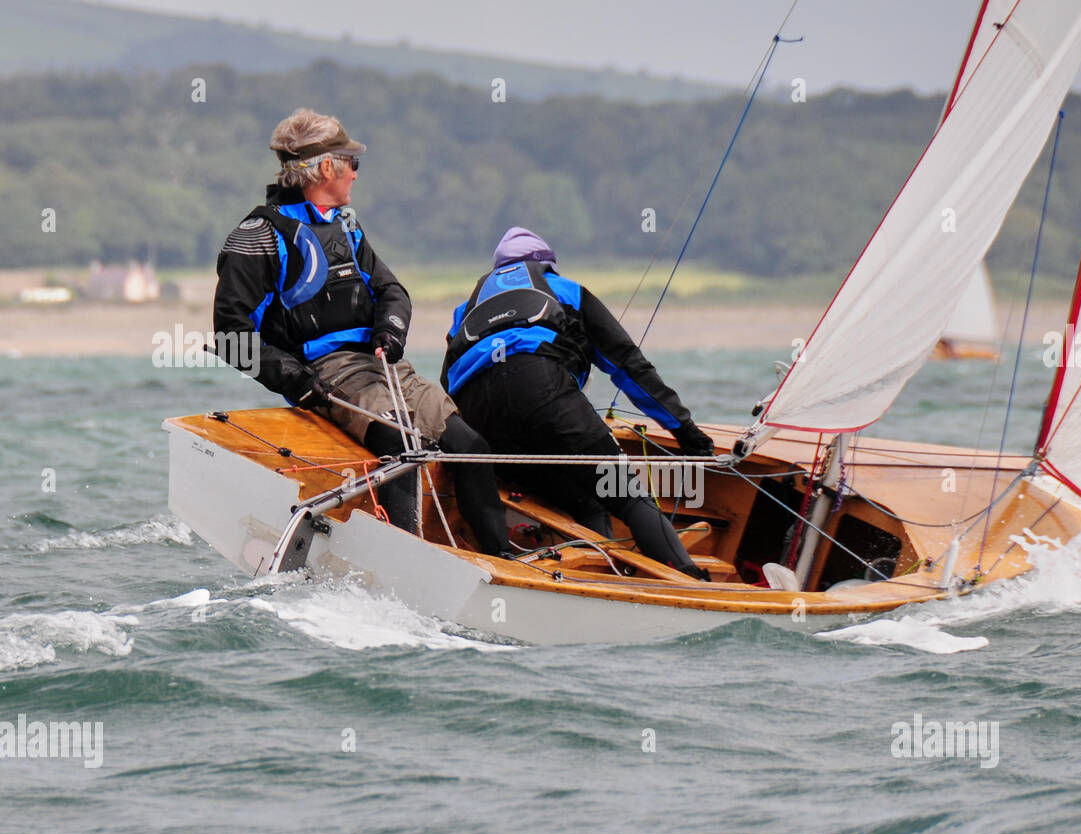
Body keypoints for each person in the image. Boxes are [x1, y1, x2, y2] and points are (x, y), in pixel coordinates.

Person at [212, 108, 509, 555]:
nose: (356, 174)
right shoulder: (257, 235)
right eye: (352, 163)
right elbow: (231, 337)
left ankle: (498, 561)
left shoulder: (347, 226)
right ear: (326, 167)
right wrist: (298, 382)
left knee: (470, 445)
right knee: (403, 451)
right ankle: (403, 563)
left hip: (384, 366)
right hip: (327, 374)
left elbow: (391, 290)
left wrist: (389, 333)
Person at [443, 227, 714, 579]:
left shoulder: (465, 310)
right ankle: (691, 580)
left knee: (586, 501)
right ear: (548, 266)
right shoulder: (566, 291)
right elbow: (630, 367)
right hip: (543, 392)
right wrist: (685, 431)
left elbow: (448, 381)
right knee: (625, 493)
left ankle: (602, 580)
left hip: (480, 417)